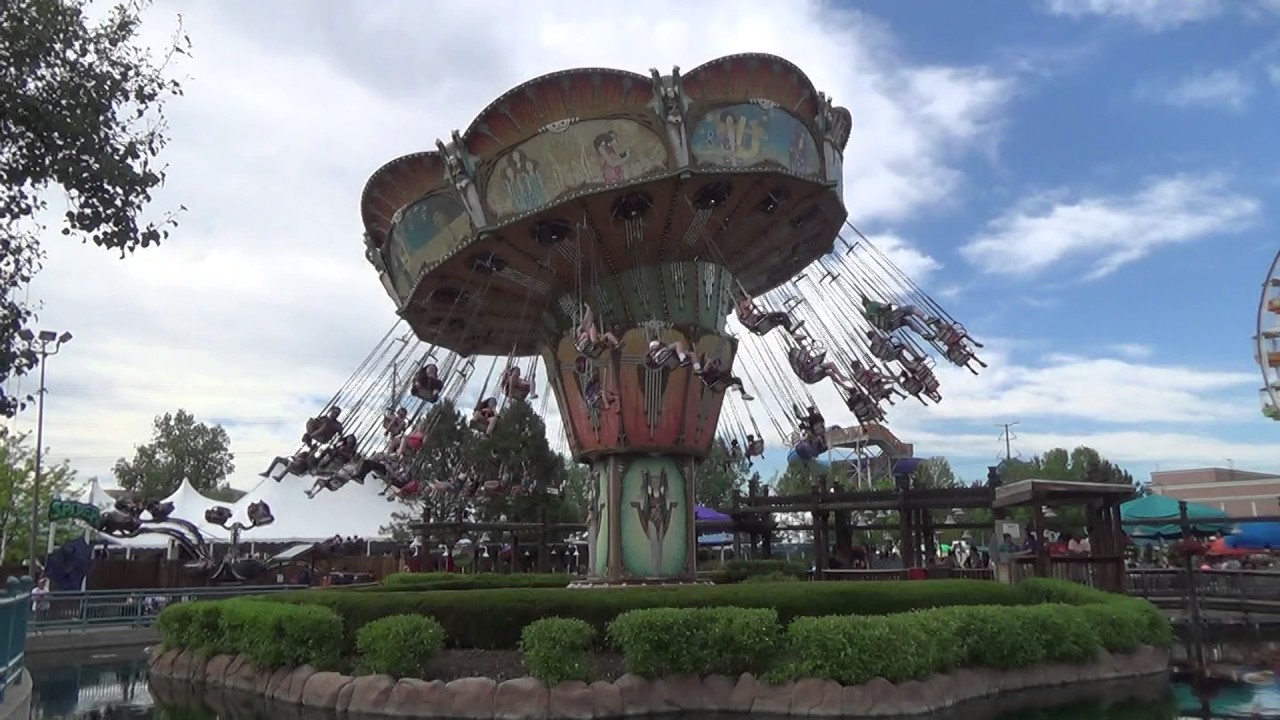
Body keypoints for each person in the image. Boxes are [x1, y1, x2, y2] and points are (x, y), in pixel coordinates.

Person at [859, 293, 935, 339]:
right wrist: (888, 305)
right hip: (892, 317)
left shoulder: (867, 314)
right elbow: (884, 307)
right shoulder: (873, 304)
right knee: (912, 308)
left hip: (889, 327)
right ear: (868, 301)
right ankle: (926, 319)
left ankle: (923, 334)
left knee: (908, 322)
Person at [735, 293, 801, 336]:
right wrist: (749, 296)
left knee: (779, 321)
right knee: (782, 314)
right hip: (758, 320)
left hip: (757, 322)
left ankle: (792, 332)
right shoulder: (742, 304)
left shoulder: (740, 313)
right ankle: (791, 329)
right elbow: (748, 303)